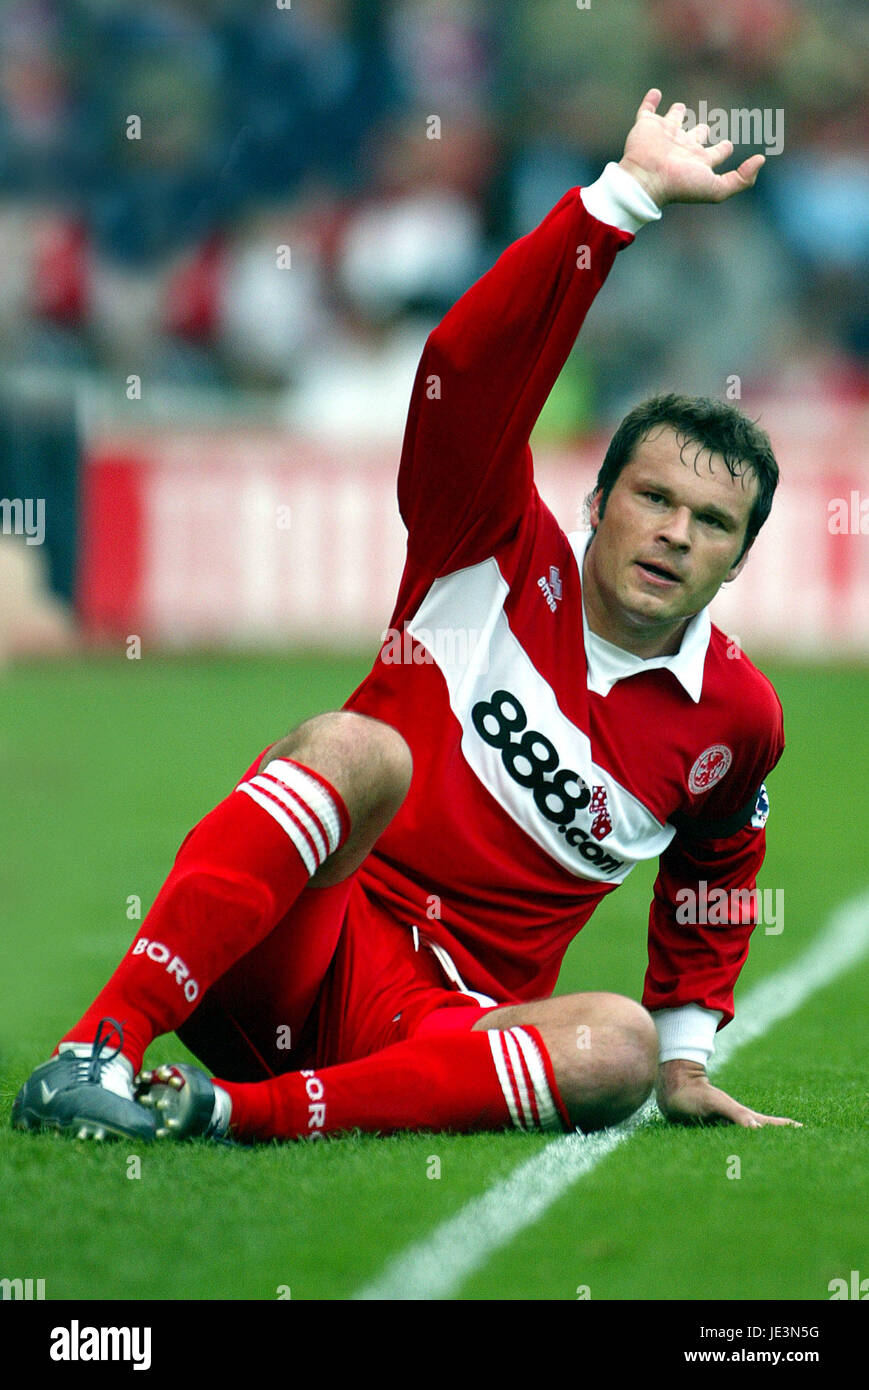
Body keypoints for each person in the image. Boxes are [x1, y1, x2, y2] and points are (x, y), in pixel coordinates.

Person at [13, 90, 800, 1146]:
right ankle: (94, 1050)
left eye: (710, 522)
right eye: (652, 497)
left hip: (433, 1034)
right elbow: (463, 374)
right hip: (284, 950)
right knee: (361, 746)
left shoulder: (734, 717)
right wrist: (616, 205)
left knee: (618, 1046)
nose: (672, 533)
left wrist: (687, 1048)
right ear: (595, 500)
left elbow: (717, 865)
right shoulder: (486, 536)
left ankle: (227, 1114)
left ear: (737, 560)